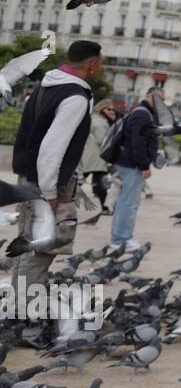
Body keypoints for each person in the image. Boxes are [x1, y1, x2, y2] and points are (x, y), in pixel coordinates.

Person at [10, 40, 102, 292]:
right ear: (92, 64)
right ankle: (25, 312)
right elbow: (52, 148)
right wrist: (49, 192)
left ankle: (17, 306)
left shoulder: (45, 86)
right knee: (41, 250)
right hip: (49, 182)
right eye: (100, 62)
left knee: (27, 244)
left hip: (29, 177)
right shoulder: (75, 97)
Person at [110, 86, 161, 250]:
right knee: (129, 203)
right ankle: (121, 239)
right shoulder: (142, 114)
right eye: (158, 98)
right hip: (132, 164)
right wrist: (144, 165)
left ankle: (119, 237)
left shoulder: (141, 113)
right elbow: (137, 143)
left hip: (129, 162)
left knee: (125, 202)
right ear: (148, 96)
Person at [80, 99, 117, 212]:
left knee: (81, 180)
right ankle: (105, 208)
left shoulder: (93, 119)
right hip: (97, 157)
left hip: (88, 156)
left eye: (112, 109)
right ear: (102, 109)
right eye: (108, 109)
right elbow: (103, 140)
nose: (111, 111)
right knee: (100, 183)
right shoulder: (101, 122)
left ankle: (63, 199)